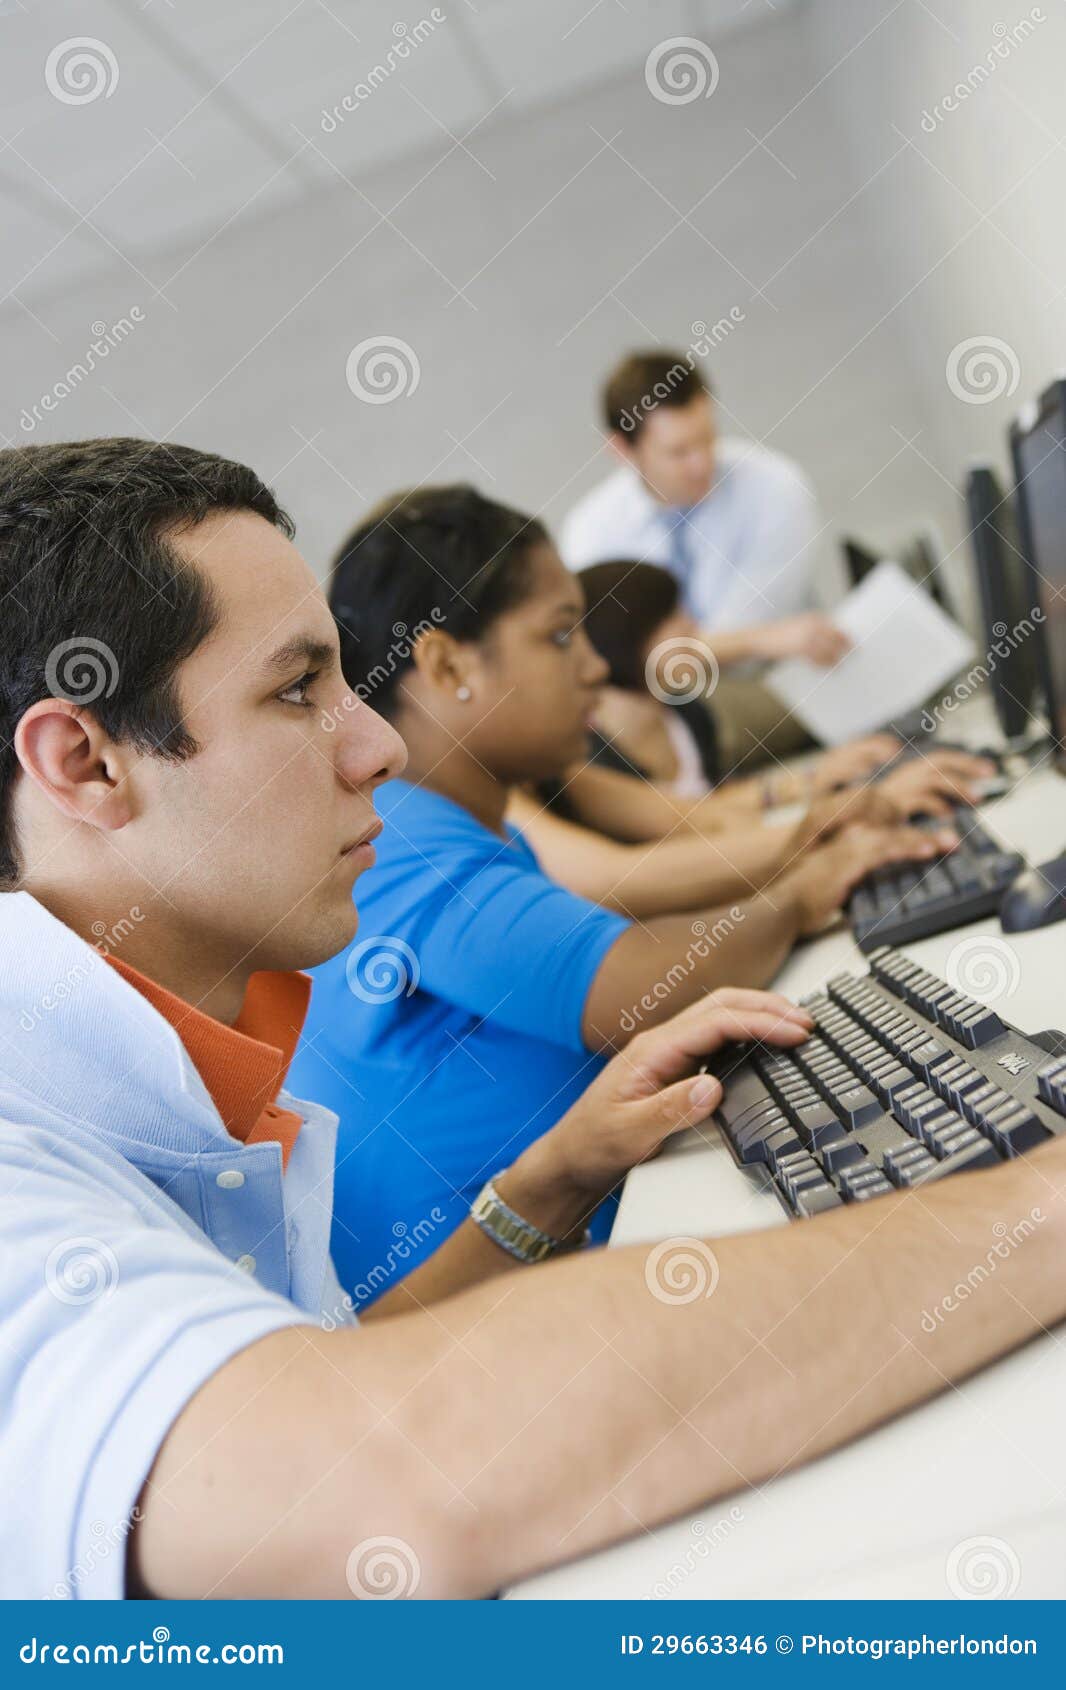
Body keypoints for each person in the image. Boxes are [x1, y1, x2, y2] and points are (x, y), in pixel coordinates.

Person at [5, 440, 1063, 1606]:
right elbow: (381, 1472)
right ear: (87, 762)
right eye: (297, 688)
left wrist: (551, 1179)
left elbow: (335, 1364)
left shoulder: (190, 1058)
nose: (380, 745)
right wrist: (1038, 1204)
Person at [298, 485, 960, 1302]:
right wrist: (802, 892)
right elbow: (637, 988)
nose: (593, 665)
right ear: (445, 663)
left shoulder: (468, 824)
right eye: (559, 634)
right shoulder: (394, 842)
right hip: (486, 1342)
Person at [559, 349, 847, 669]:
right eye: (679, 452)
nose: (702, 464)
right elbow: (612, 656)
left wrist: (661, 651)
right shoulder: (591, 529)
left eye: (707, 439)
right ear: (621, 449)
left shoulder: (775, 488)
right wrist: (759, 639)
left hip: (771, 684)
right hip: (666, 703)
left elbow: (727, 637)